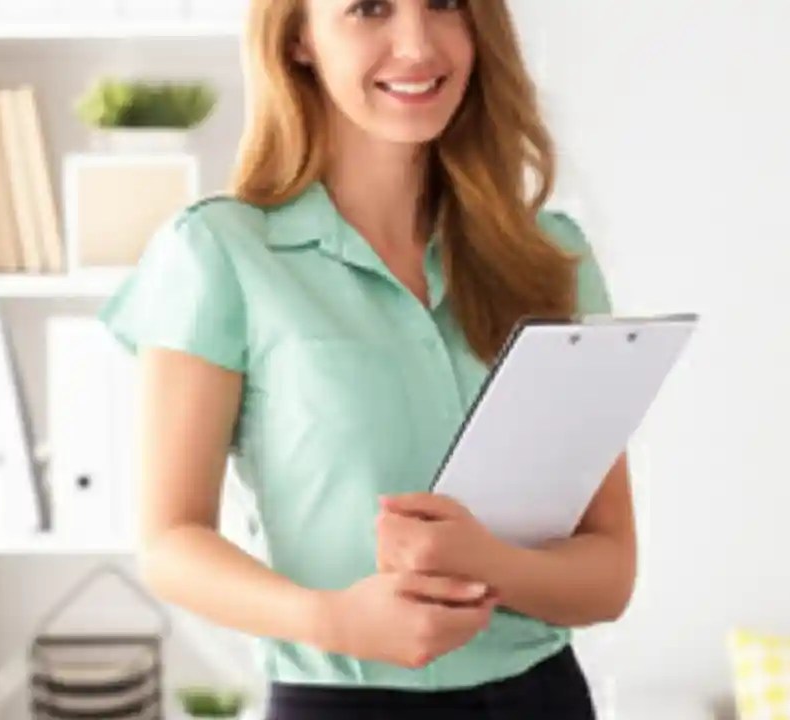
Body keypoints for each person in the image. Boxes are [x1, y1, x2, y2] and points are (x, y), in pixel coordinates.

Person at [96, 0, 637, 717]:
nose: (416, 44)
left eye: (444, 3)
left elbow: (609, 574)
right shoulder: (220, 253)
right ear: (299, 38)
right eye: (370, 8)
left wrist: (486, 562)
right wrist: (334, 621)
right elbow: (170, 543)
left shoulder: (550, 257)